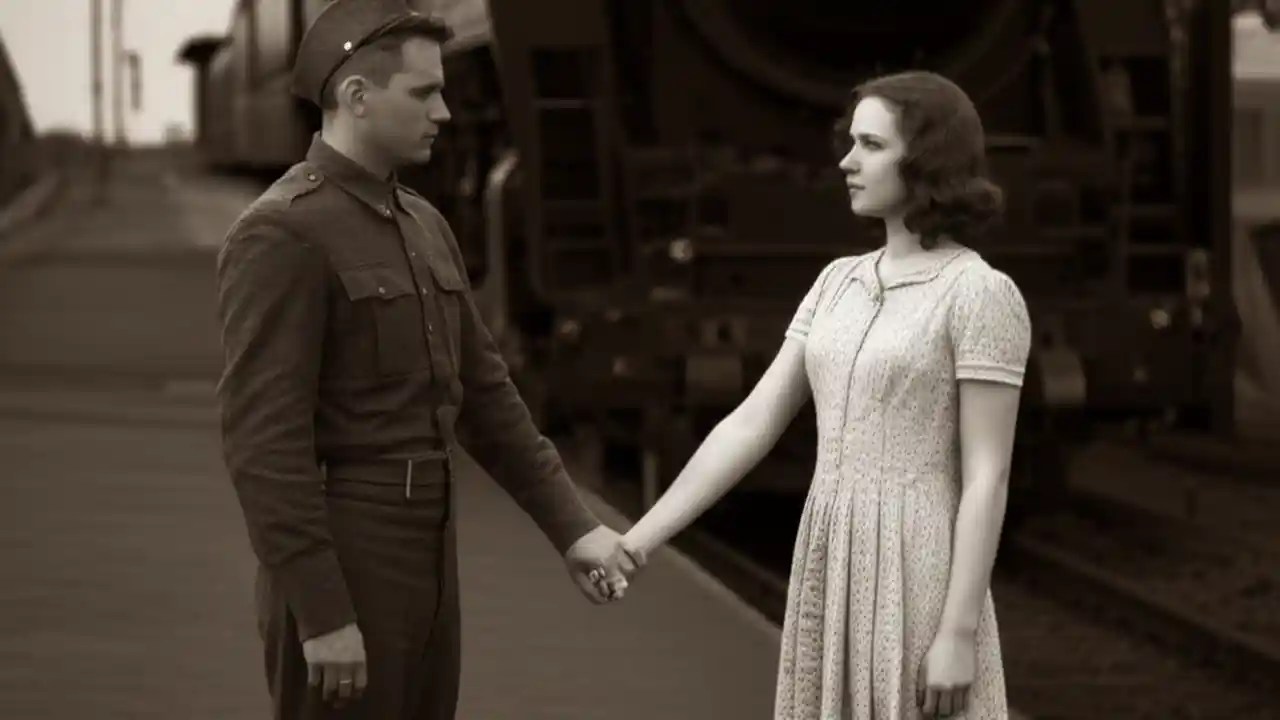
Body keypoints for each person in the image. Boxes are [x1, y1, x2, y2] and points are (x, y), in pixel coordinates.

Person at [214, 2, 638, 718]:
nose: (443, 110)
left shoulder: (423, 224)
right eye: (423, 92)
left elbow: (487, 395)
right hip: (349, 544)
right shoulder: (281, 233)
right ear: (356, 97)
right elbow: (264, 446)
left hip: (430, 547)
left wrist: (574, 527)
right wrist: (321, 614)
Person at [598, 71, 1030, 719]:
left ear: (927, 158)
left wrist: (958, 632)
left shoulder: (980, 294)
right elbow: (751, 424)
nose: (846, 161)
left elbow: (987, 475)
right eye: (850, 142)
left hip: (918, 564)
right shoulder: (836, 283)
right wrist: (638, 541)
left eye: (871, 145)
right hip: (832, 550)